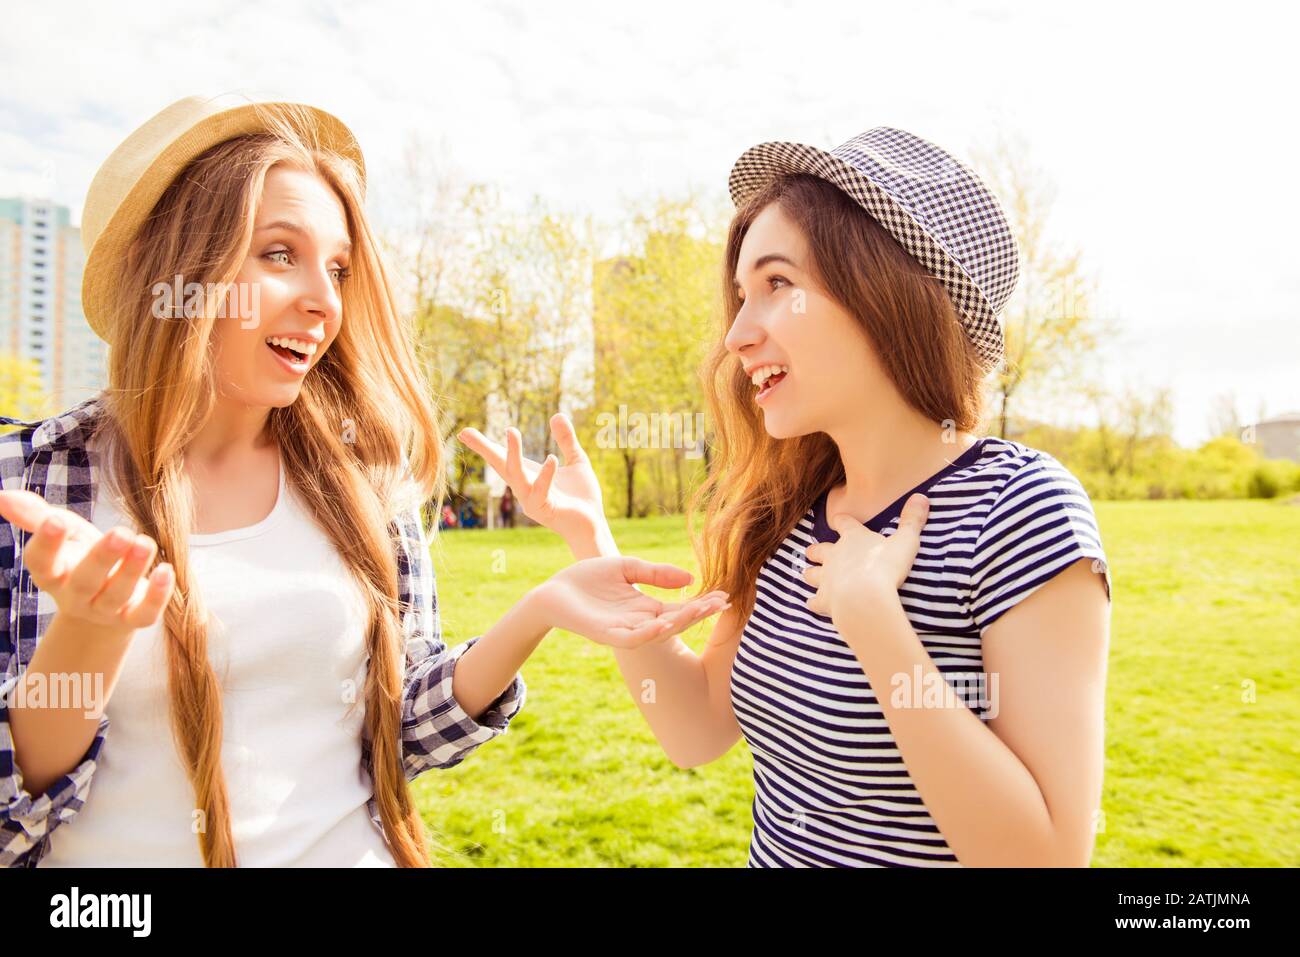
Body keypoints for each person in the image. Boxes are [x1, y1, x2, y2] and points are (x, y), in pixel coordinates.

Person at [0, 94, 723, 868]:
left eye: (339, 268)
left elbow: (403, 729)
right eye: (279, 254)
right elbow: (13, 816)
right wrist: (92, 629)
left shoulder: (362, 481)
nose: (324, 301)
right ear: (179, 268)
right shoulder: (35, 479)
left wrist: (535, 611)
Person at [460, 127, 1113, 868]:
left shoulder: (1021, 508)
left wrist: (873, 618)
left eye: (777, 285)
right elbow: (699, 727)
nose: (737, 334)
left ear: (884, 292)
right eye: (741, 297)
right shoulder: (784, 512)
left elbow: (1045, 858)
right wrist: (591, 539)